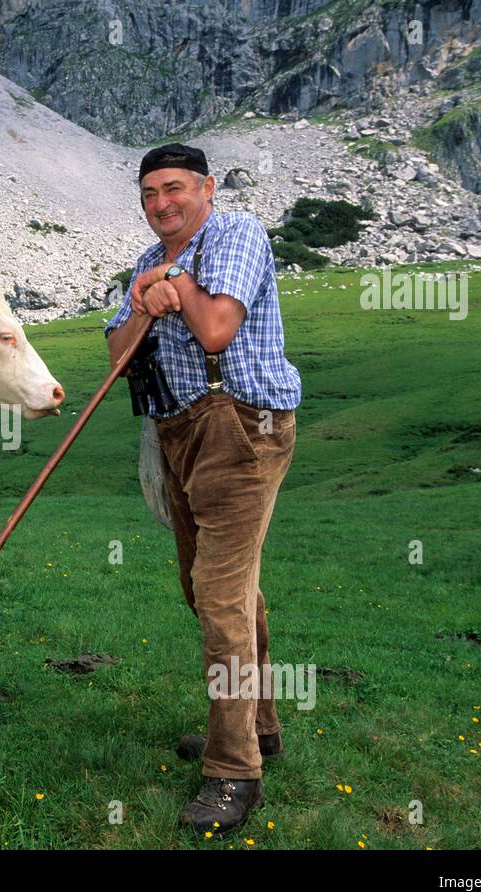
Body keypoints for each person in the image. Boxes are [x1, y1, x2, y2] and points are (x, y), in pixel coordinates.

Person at [104, 143, 301, 835]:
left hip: (243, 425)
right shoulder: (141, 263)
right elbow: (117, 355)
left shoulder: (237, 233)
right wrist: (141, 300)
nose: (163, 203)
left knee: (220, 598)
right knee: (216, 589)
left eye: (175, 188)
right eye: (151, 192)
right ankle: (263, 727)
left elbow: (217, 327)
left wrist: (176, 287)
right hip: (180, 434)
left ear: (207, 188)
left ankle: (234, 773)